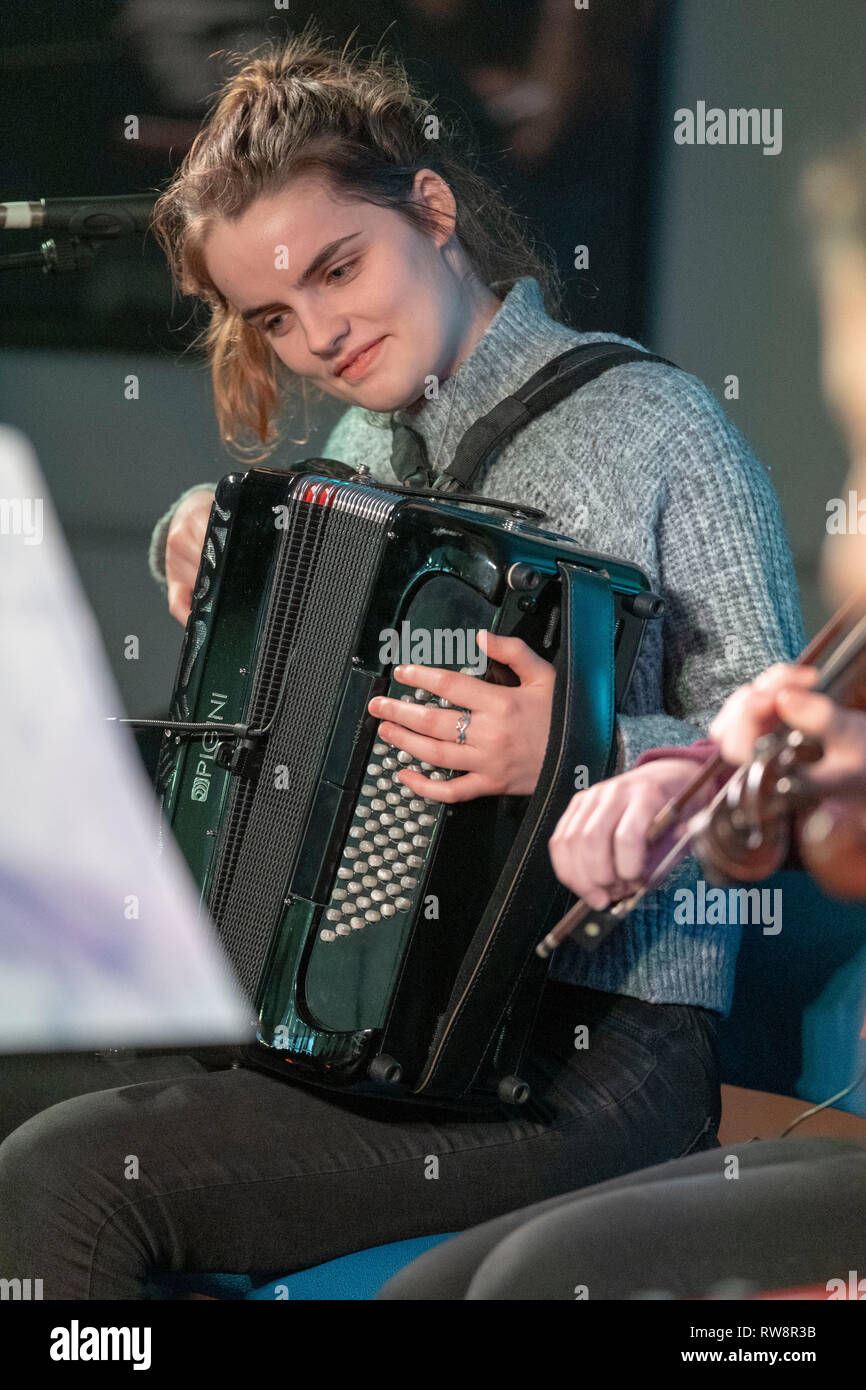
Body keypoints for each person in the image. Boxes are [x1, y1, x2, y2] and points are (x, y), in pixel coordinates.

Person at [0, 26, 803, 1300]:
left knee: (73, 1176)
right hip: (372, 1026)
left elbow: (795, 773)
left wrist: (575, 754)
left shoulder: (655, 427)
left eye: (338, 267)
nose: (316, 333)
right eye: (273, 314)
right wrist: (199, 535)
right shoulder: (375, 451)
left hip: (596, 1052)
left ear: (429, 210)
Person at [378, 124, 866, 1302]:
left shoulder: (654, 426)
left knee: (543, 1279)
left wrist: (598, 748)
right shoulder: (373, 443)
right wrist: (678, 770)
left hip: (651, 1048)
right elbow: (807, 826)